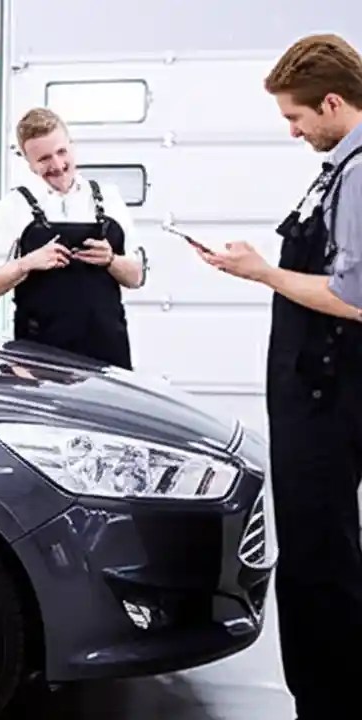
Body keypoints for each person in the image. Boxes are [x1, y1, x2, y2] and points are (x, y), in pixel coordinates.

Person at [195, 33, 362, 720]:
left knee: (321, 560)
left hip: (329, 398)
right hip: (315, 397)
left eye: (296, 117)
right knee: (319, 553)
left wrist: (262, 271)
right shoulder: (337, 172)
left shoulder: (359, 175)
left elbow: (354, 296)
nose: (293, 131)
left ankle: (331, 703)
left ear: (332, 103)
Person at [0, 108, 147, 369]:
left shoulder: (109, 198)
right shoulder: (12, 207)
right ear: (28, 162)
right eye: (44, 159)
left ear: (71, 145)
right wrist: (26, 263)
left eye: (61, 152)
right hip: (40, 359)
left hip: (109, 354)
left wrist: (111, 260)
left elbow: (136, 278)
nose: (57, 165)